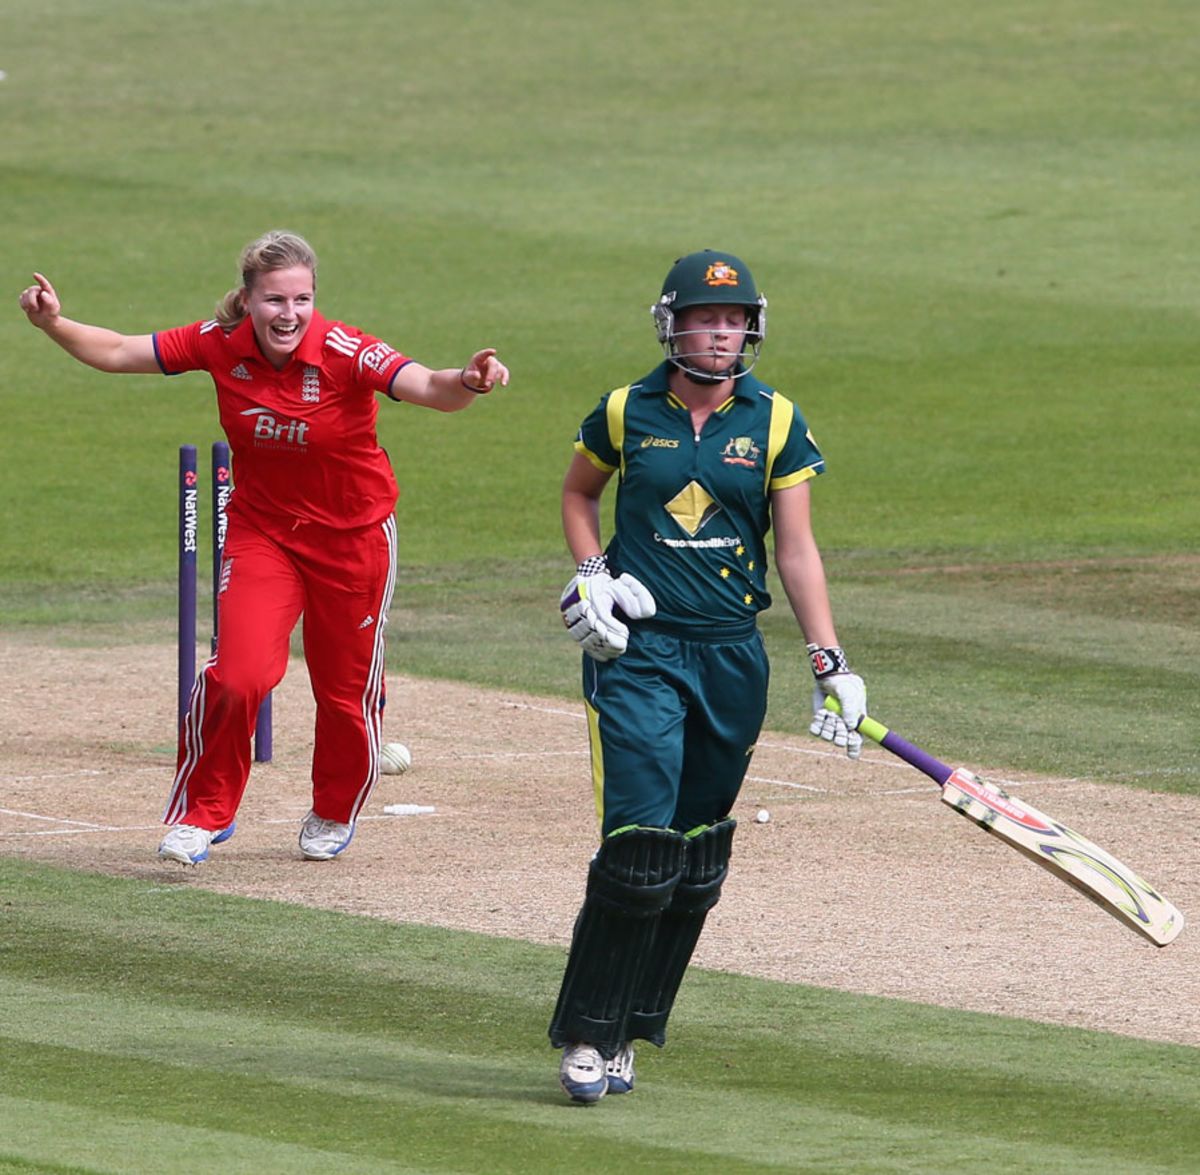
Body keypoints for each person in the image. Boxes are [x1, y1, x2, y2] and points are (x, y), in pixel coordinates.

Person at [18, 230, 509, 866]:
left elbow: (429, 387)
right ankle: (204, 815)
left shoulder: (345, 350)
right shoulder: (219, 345)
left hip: (354, 539)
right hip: (264, 534)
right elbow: (115, 351)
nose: (289, 314)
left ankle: (334, 809)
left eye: (302, 299)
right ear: (248, 299)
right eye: (275, 300)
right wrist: (53, 323)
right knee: (237, 675)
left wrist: (469, 380)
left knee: (344, 692)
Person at [550, 249, 865, 1103]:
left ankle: (630, 1033)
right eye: (705, 317)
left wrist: (828, 659)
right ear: (672, 323)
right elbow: (580, 496)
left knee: (693, 857)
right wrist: (593, 573)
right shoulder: (626, 409)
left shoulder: (775, 421)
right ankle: (587, 1032)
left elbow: (795, 550)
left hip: (732, 656)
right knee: (639, 849)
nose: (721, 333)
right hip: (640, 651)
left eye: (734, 320)